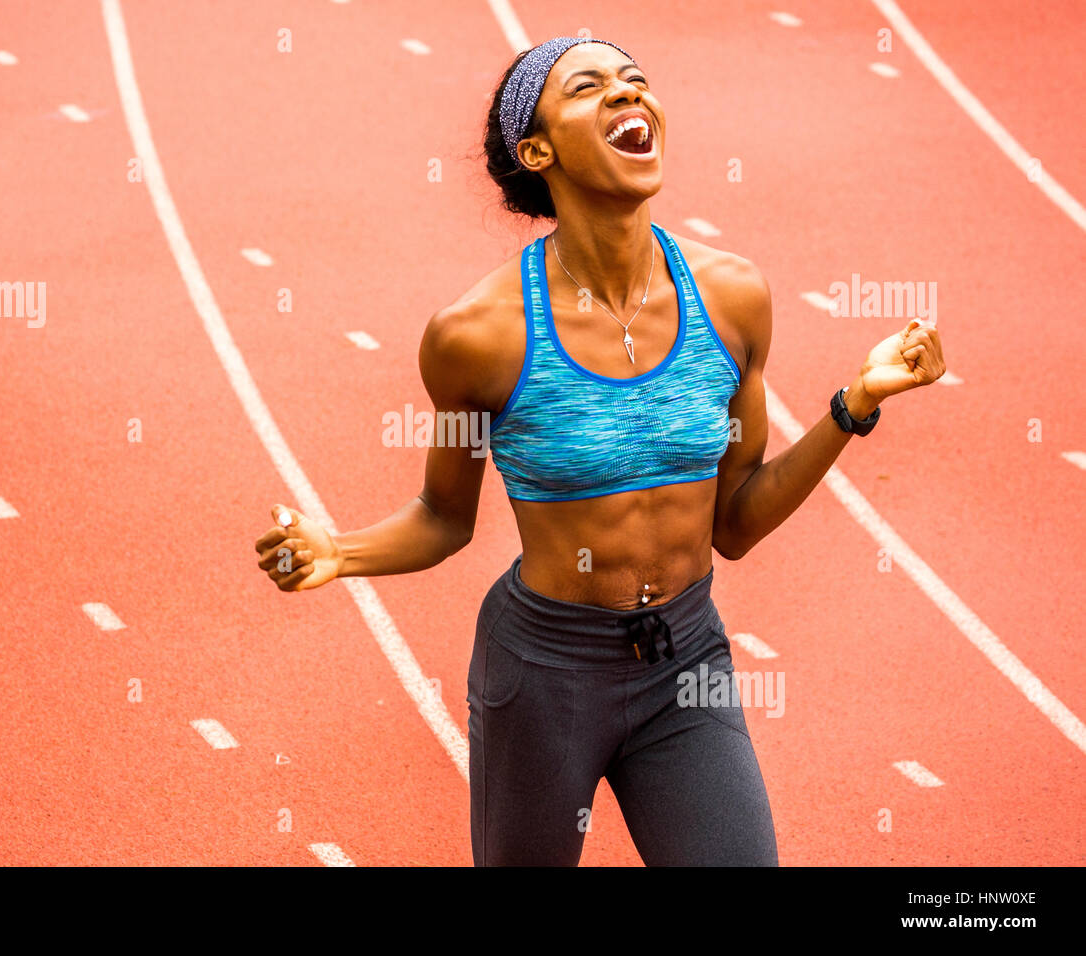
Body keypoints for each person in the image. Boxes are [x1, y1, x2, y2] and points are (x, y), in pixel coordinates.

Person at [253, 36, 946, 866]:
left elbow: (734, 524)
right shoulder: (479, 337)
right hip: (544, 675)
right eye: (589, 88)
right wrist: (340, 552)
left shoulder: (732, 298)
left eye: (636, 81)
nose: (626, 94)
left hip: (685, 662)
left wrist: (853, 404)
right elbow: (443, 518)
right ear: (536, 151)